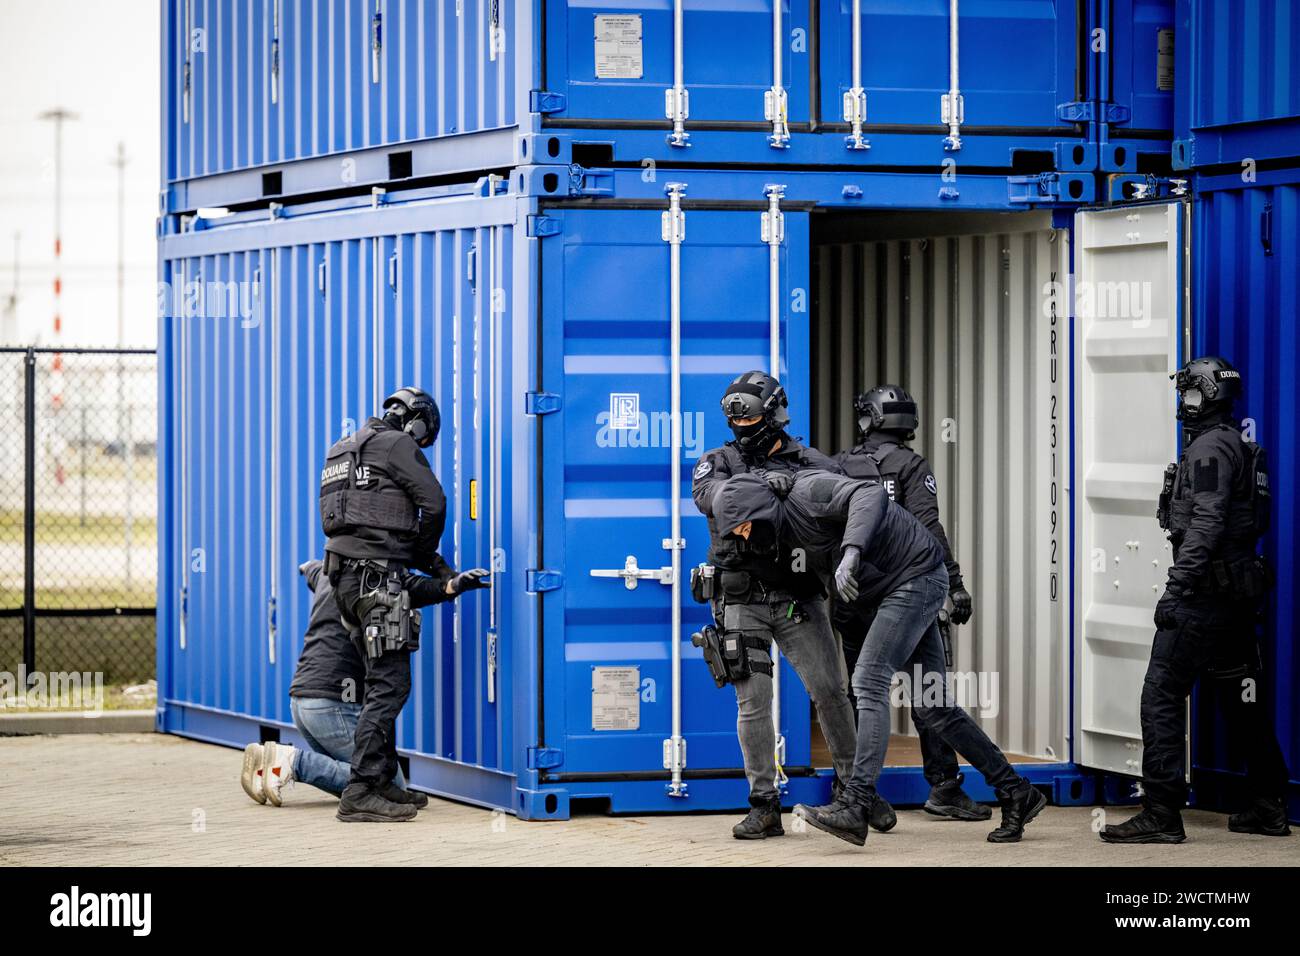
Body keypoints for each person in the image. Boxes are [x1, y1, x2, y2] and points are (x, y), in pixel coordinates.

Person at [712, 470, 1045, 847]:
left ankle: (856, 804)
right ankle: (1016, 790)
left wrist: (852, 552)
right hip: (893, 590)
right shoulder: (777, 527)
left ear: (760, 508)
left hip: (915, 577)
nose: (743, 535)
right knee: (934, 705)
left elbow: (867, 494)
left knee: (869, 681)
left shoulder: (807, 491)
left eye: (743, 526)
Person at [691, 371, 890, 839]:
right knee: (753, 705)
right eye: (736, 416)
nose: (743, 424)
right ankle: (764, 806)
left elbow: (843, 503)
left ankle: (857, 793)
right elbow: (714, 500)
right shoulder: (716, 461)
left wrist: (790, 486)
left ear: (775, 413)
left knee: (831, 693)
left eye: (753, 415)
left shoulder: (812, 460)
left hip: (798, 598)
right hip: (740, 598)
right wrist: (770, 487)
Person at [1102, 356, 1291, 844]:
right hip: (1235, 598)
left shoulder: (1208, 451)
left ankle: (1161, 812)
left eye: (1188, 394)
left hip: (1203, 596)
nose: (1182, 404)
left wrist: (1177, 588)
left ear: (1207, 396)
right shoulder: (1238, 445)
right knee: (1241, 698)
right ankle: (1269, 806)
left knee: (1160, 694)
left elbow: (1206, 523)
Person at [320, 385, 490, 823]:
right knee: (391, 686)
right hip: (376, 579)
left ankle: (381, 783)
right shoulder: (396, 444)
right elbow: (433, 504)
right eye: (424, 435)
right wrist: (427, 557)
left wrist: (445, 580)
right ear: (415, 422)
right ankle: (359, 791)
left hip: (346, 580)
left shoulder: (343, 450)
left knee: (381, 681)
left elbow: (363, 523)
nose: (420, 444)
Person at [835, 385, 985, 821]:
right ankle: (944, 788)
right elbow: (927, 528)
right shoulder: (910, 465)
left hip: (854, 595)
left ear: (868, 419)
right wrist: (953, 584)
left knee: (860, 691)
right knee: (928, 689)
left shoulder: (840, 465)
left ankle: (857, 792)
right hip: (902, 593)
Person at [239, 559, 455, 806]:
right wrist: (449, 585)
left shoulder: (330, 573)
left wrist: (308, 566)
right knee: (388, 785)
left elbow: (311, 569)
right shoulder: (377, 582)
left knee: (354, 772)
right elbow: (419, 589)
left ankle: (264, 765)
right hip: (334, 704)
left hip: (302, 700)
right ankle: (290, 761)